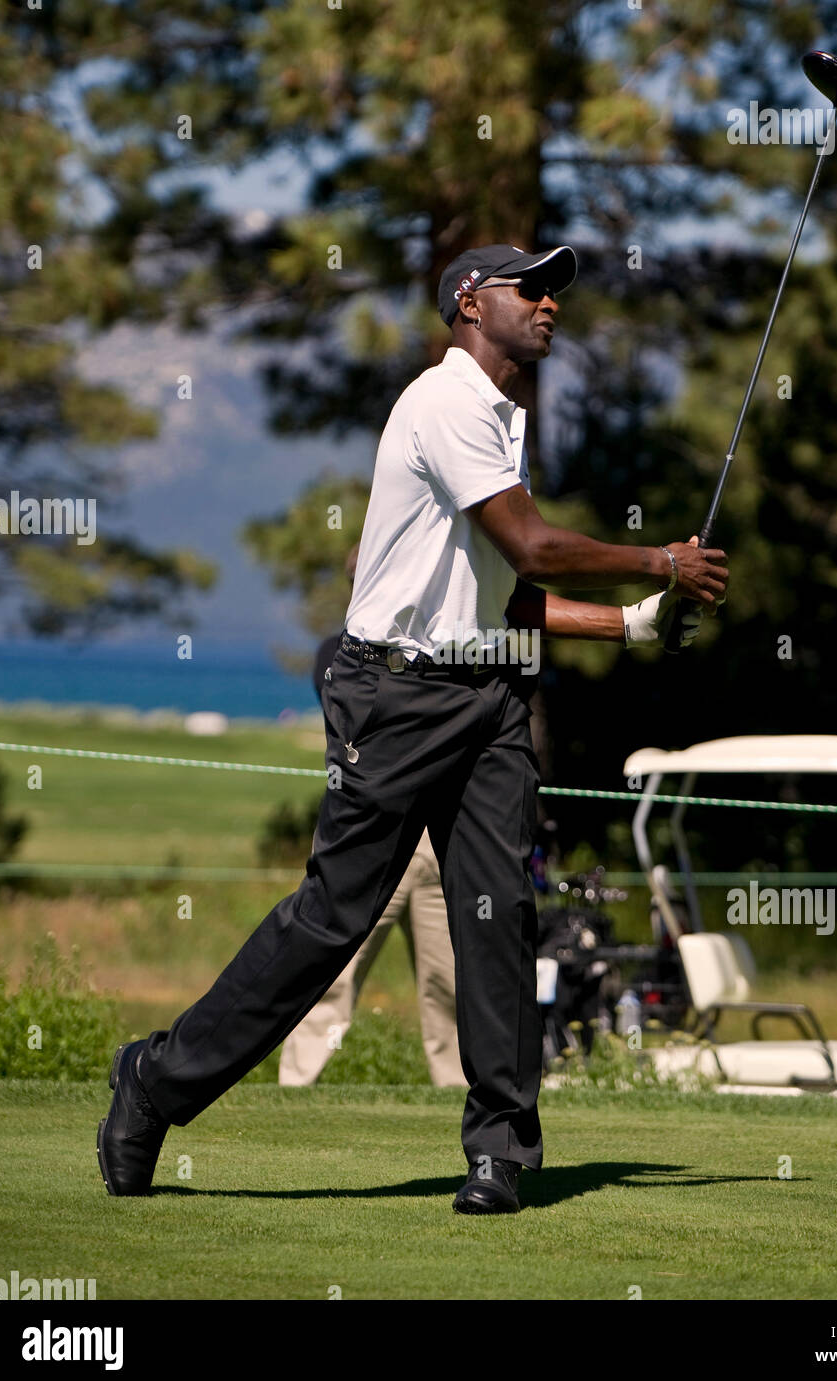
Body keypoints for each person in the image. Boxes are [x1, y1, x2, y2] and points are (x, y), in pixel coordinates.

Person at [97, 242, 728, 1215]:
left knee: (498, 915)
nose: (551, 302)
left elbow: (503, 595)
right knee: (328, 923)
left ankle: (498, 1152)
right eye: (533, 286)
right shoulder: (443, 404)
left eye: (556, 288)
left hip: (487, 697)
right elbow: (533, 544)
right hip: (391, 701)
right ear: (471, 303)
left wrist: (628, 625)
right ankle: (154, 1081)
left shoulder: (501, 418)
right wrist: (660, 565)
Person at [279, 546, 463, 1088]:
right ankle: (297, 1086)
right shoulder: (339, 655)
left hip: (439, 841)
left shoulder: (448, 645)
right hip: (371, 836)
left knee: (450, 980)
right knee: (331, 970)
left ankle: (459, 1095)